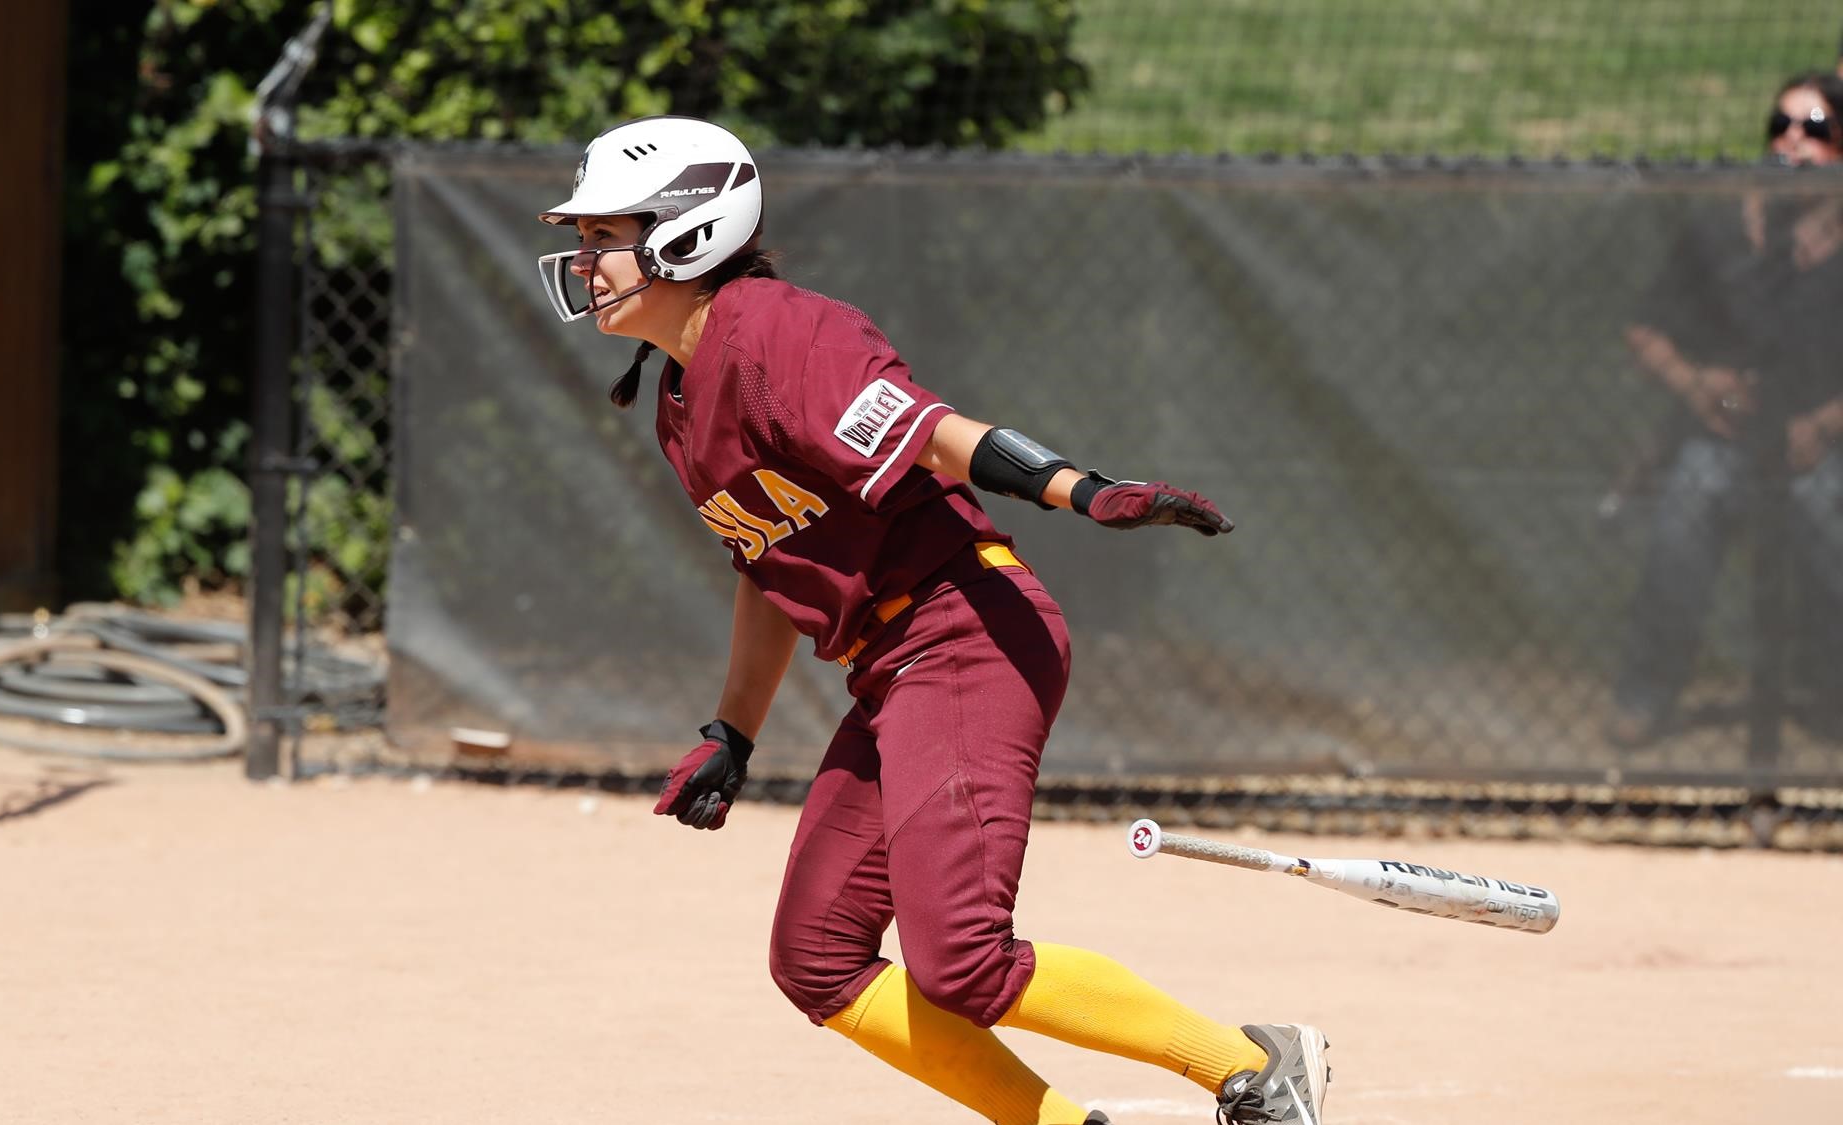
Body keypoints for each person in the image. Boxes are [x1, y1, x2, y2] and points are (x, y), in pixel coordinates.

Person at [534, 116, 1329, 1125]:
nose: (585, 259)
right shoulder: (680, 398)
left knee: (958, 956)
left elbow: (937, 439)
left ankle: (1252, 1070)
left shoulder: (781, 332)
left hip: (965, 634)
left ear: (685, 236)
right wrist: (731, 732)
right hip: (893, 666)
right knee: (817, 958)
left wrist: (1079, 492)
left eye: (606, 234)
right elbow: (770, 565)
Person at [1606, 72, 1843, 748]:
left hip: (1817, 444)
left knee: (1830, 531)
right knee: (1685, 513)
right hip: (1729, 435)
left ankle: (1833, 700)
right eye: (1781, 124)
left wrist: (1822, 425)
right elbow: (1645, 330)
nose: (1792, 140)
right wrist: (1696, 383)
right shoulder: (1720, 227)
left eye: (1817, 129)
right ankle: (1645, 696)